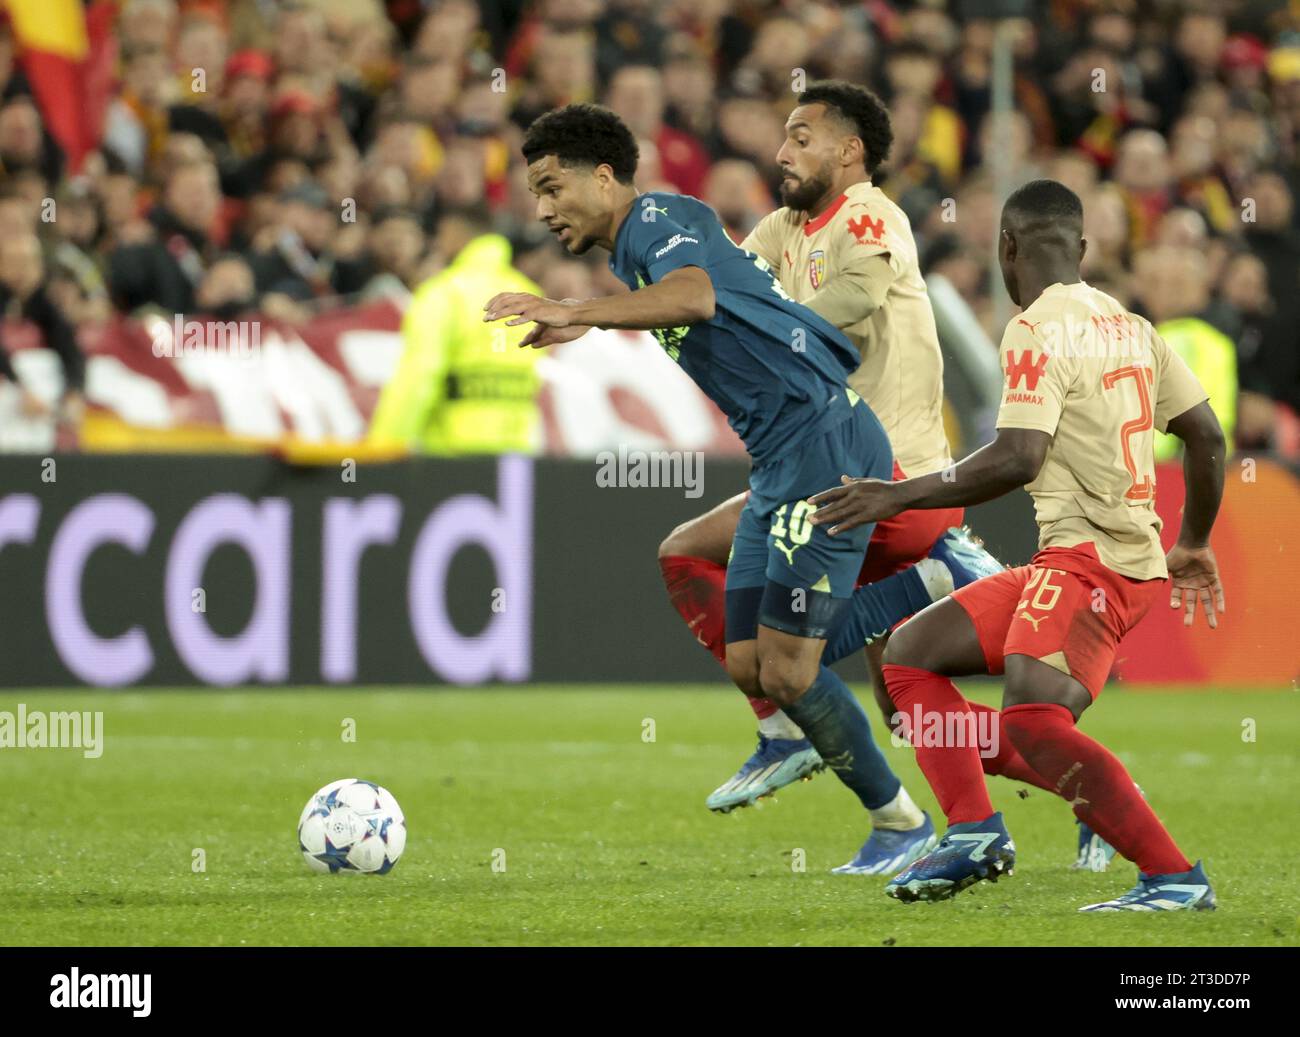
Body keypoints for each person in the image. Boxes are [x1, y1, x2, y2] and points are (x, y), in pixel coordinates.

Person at [485, 102, 936, 869]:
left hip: (823, 440)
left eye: (553, 188)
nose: (544, 210)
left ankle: (901, 808)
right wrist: (592, 315)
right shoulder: (633, 258)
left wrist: (578, 311)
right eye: (536, 194)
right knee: (751, 663)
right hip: (781, 456)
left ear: (604, 178)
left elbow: (696, 297)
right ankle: (867, 794)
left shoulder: (658, 217)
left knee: (787, 667)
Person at [808, 179, 1225, 912]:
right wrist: (1192, 541)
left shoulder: (1034, 328)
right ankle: (976, 829)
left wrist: (897, 494)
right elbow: (1208, 436)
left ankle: (1173, 876)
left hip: (1092, 563)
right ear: (1082, 247)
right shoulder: (1132, 325)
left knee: (1035, 723)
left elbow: (1017, 456)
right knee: (909, 658)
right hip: (1093, 560)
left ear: (1007, 247)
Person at [655, 83, 1004, 856]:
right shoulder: (784, 228)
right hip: (825, 468)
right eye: (784, 137)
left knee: (786, 654)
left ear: (850, 151)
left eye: (802, 137)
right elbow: (717, 288)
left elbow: (856, 293)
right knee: (901, 701)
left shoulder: (869, 213)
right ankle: (913, 817)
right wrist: (610, 305)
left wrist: (768, 330)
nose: (782, 152)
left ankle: (924, 593)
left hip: (890, 477)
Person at [370, 207, 543, 455]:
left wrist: (382, 448)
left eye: (441, 236)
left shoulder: (444, 293)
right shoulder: (530, 294)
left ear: (453, 233)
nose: (438, 245)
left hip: (453, 457)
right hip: (516, 457)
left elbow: (418, 378)